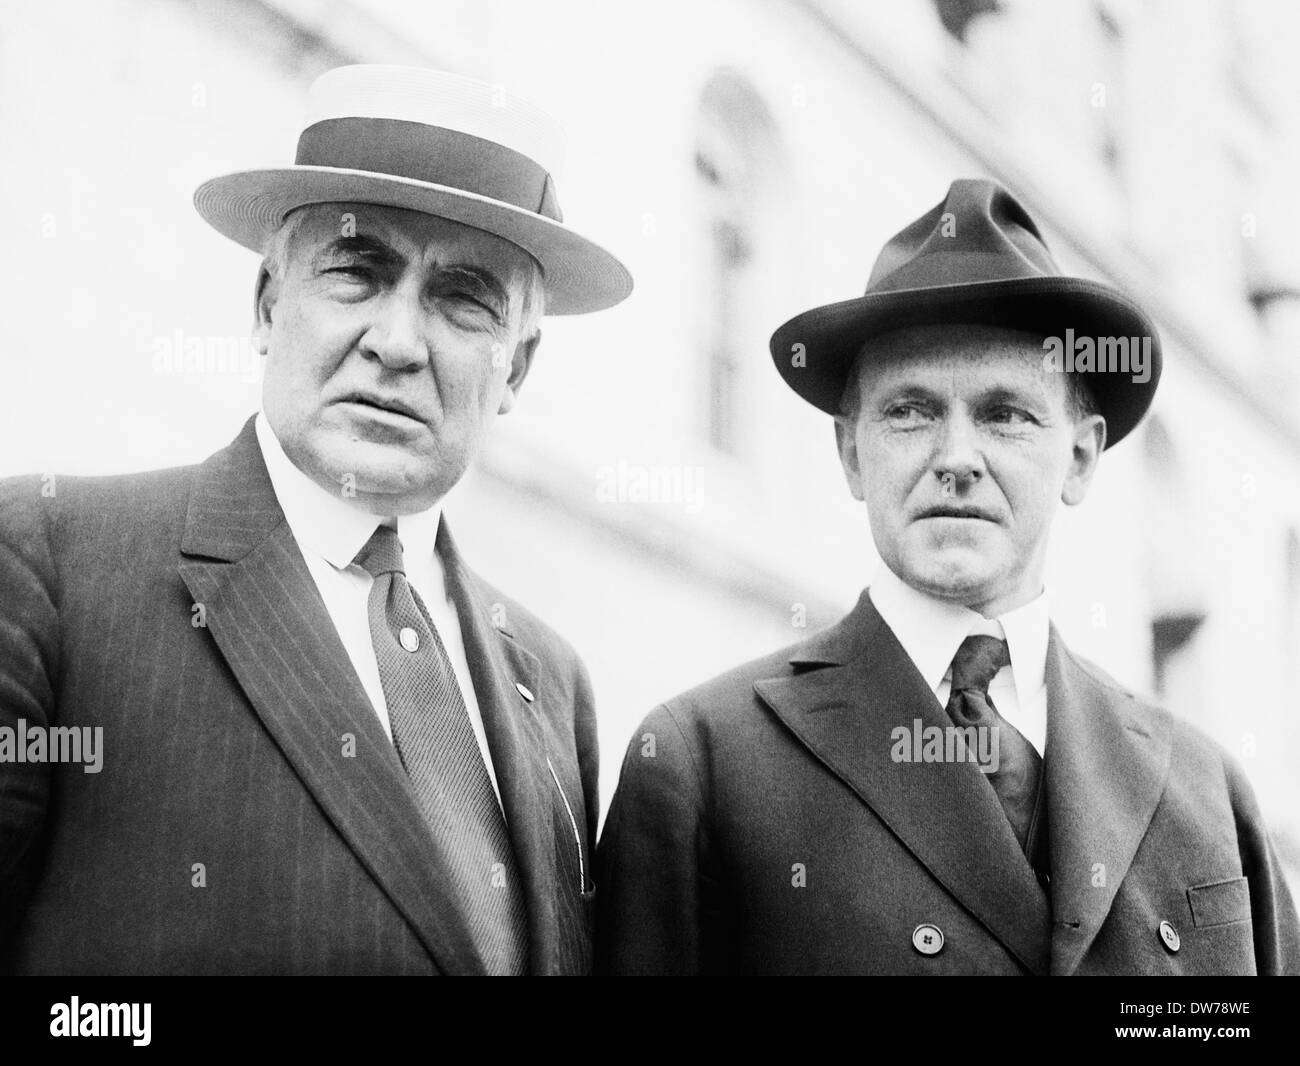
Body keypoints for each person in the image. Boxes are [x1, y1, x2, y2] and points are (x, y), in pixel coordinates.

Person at [0, 64, 630, 975]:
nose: (398, 343)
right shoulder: (49, 565)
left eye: (463, 301)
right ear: (266, 304)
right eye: (356, 273)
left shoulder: (552, 681)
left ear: (518, 370)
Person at [595, 178, 1299, 975]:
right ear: (852, 452)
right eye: (910, 411)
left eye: (1005, 414)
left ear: (1079, 456)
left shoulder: (1206, 794)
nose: (958, 459)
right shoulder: (705, 766)